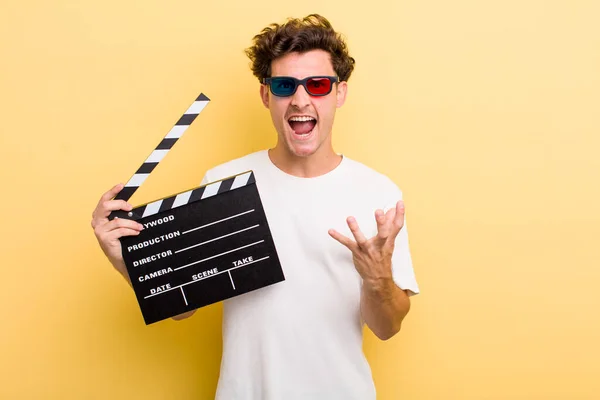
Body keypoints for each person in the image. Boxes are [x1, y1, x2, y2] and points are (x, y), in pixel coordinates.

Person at [91, 13, 419, 400]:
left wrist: (378, 279)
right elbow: (181, 307)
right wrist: (126, 260)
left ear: (339, 93)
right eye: (284, 86)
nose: (300, 99)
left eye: (317, 85)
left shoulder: (376, 192)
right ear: (267, 95)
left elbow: (386, 327)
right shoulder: (225, 182)